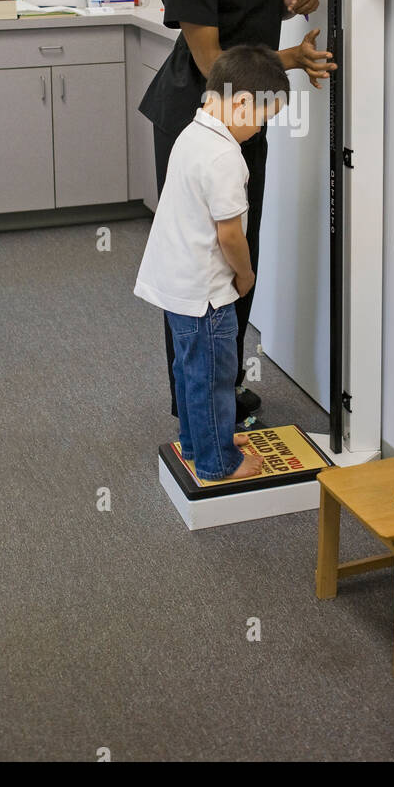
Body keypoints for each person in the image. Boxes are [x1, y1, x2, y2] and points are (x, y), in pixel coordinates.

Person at [139, 0, 336, 424]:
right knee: (203, 264)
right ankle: (196, 399)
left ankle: (222, 384)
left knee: (240, 250)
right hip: (199, 116)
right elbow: (211, 60)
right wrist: (293, 59)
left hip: (252, 108)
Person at [134, 46, 290, 482]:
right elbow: (230, 234)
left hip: (177, 284)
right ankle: (217, 461)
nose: (258, 130)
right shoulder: (225, 157)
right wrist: (246, 274)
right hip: (206, 294)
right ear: (241, 103)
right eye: (261, 118)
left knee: (189, 372)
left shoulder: (191, 134)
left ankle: (200, 439)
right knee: (215, 378)